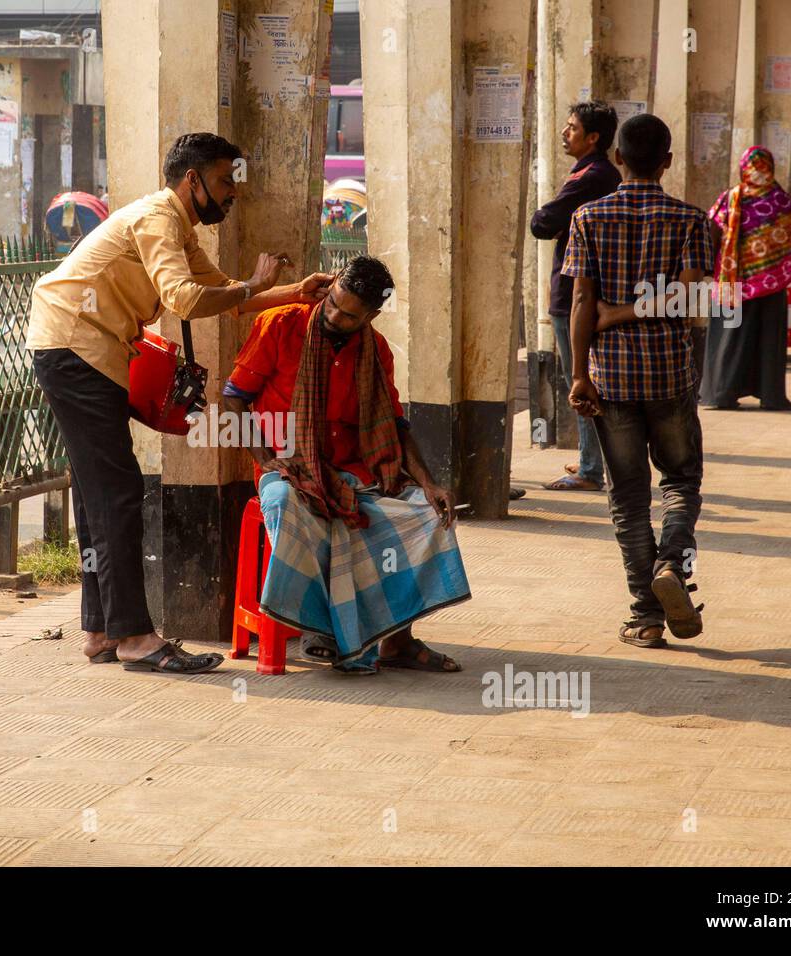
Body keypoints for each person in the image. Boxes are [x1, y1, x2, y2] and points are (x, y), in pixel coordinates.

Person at [26, 132, 333, 675]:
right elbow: (183, 299)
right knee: (118, 492)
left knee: (99, 491)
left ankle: (101, 631)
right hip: (75, 344)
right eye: (223, 181)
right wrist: (252, 285)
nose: (231, 193)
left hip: (81, 347)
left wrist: (291, 292)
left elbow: (225, 293)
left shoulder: (177, 224)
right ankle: (136, 639)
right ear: (192, 181)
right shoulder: (156, 219)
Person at [221, 256, 470, 674]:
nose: (334, 315)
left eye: (350, 314)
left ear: (371, 315)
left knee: (424, 514)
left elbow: (394, 423)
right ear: (331, 285)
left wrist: (429, 483)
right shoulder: (280, 324)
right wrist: (267, 460)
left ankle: (396, 641)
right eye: (333, 302)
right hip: (288, 467)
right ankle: (319, 628)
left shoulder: (378, 351)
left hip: (354, 469)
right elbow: (233, 399)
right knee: (289, 504)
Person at [562, 113, 714, 650]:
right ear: (668, 161)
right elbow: (686, 297)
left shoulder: (587, 217)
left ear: (618, 159)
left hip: (611, 379)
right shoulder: (692, 220)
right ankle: (672, 563)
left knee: (627, 498)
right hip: (670, 373)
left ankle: (645, 616)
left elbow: (582, 303)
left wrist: (581, 370)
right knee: (680, 482)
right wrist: (632, 310)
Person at [530, 101, 621, 492]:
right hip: (592, 291)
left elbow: (542, 222)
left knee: (580, 379)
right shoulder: (600, 174)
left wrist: (548, 219)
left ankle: (590, 469)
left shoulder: (590, 177)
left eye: (571, 128)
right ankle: (592, 458)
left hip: (575, 294)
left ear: (593, 137)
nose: (565, 134)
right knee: (587, 377)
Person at [701, 146, 791, 410]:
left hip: (733, 282)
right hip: (772, 284)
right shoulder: (781, 201)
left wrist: (713, 268)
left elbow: (711, 231)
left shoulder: (731, 198)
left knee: (730, 338)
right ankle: (771, 395)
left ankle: (722, 393)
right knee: (768, 340)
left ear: (744, 167)